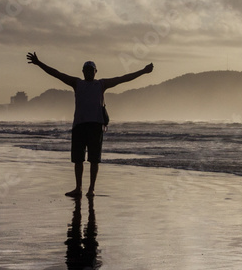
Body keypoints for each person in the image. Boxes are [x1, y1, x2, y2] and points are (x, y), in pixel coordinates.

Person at [26, 51, 153, 198]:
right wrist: (39, 63)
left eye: (91, 70)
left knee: (94, 160)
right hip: (79, 126)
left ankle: (91, 189)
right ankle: (78, 188)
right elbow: (57, 74)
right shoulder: (77, 83)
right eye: (86, 70)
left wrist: (143, 71)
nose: (89, 73)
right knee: (78, 159)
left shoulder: (101, 84)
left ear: (95, 71)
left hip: (95, 127)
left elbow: (123, 79)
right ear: (82, 71)